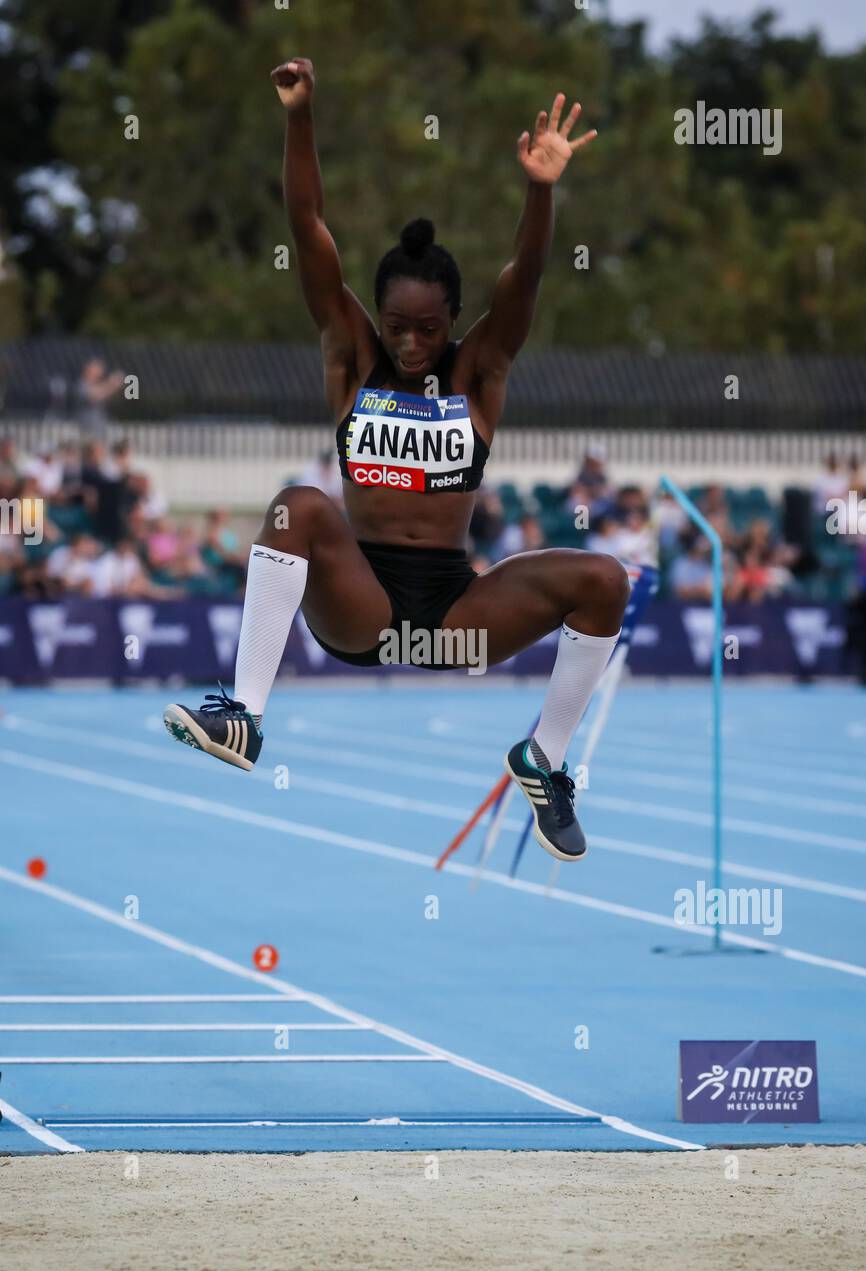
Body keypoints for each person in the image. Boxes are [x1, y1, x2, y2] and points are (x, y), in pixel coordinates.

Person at [164, 58, 629, 863]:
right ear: (376, 319)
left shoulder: (479, 371)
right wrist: (300, 115)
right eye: (397, 326)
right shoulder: (353, 358)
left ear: (454, 320)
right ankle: (243, 714)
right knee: (298, 506)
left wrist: (542, 189)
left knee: (605, 581)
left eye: (428, 328)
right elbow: (307, 225)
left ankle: (545, 761)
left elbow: (525, 279)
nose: (411, 345)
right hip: (362, 609)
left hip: (452, 620)